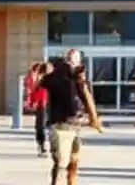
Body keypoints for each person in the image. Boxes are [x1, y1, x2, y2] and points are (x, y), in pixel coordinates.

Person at [41, 49, 103, 185]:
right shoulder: (56, 76)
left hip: (76, 124)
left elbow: (87, 98)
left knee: (73, 160)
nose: (73, 63)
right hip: (59, 124)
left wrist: (93, 118)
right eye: (70, 60)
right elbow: (42, 83)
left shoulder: (79, 79)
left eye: (75, 60)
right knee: (61, 162)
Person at [26, 62, 50, 157]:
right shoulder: (34, 80)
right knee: (40, 127)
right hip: (42, 106)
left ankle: (43, 146)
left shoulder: (44, 80)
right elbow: (32, 92)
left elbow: (39, 93)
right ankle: (42, 146)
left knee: (42, 127)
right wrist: (32, 103)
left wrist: (33, 102)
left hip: (45, 105)